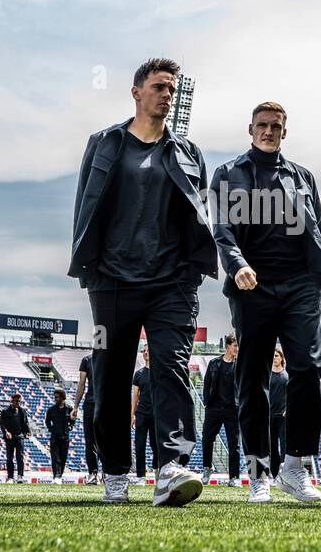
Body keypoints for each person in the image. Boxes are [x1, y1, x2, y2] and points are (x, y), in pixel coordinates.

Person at [68, 57, 214, 507]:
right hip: (111, 282)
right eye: (158, 86)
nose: (166, 94)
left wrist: (192, 273)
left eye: (171, 88)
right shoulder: (105, 143)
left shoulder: (188, 151)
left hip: (172, 283)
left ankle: (171, 467)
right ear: (136, 92)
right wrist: (89, 268)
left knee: (170, 370)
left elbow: (200, 212)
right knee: (110, 378)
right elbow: (86, 204)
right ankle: (114, 472)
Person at [210, 101, 321, 504]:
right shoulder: (228, 174)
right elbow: (221, 227)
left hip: (299, 286)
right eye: (262, 125)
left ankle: (295, 468)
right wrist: (237, 265)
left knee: (308, 369)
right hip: (251, 286)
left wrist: (315, 277)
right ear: (250, 129)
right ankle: (258, 472)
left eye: (275, 126)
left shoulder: (303, 177)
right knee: (253, 378)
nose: (268, 131)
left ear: (284, 131)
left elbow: (316, 231)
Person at [200, 334, 240, 485]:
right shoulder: (214, 363)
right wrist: (206, 403)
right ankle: (206, 468)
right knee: (207, 439)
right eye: (235, 345)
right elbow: (206, 384)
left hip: (232, 409)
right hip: (214, 408)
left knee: (234, 443)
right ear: (228, 346)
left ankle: (234, 477)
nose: (237, 348)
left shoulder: (240, 364)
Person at [132, 346, 157, 480]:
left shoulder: (158, 373)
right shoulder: (139, 374)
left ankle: (157, 471)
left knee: (155, 445)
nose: (146, 353)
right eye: (144, 351)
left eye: (148, 350)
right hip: (141, 413)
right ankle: (141, 476)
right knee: (139, 445)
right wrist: (132, 414)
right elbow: (135, 396)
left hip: (155, 414)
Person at [74, 351, 100, 483]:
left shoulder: (109, 357)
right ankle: (94, 473)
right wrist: (75, 406)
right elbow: (81, 383)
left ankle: (102, 473)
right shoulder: (86, 360)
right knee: (90, 441)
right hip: (91, 403)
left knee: (99, 441)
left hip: (103, 404)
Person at [0, 393, 30, 483]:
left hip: (20, 437)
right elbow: (2, 424)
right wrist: (6, 432)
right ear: (11, 401)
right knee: (9, 458)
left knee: (20, 456)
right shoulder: (5, 411)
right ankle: (10, 477)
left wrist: (27, 431)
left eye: (19, 401)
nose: (18, 403)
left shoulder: (22, 411)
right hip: (10, 438)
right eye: (16, 401)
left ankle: (20, 476)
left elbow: (25, 423)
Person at [45, 388, 74, 483]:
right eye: (55, 397)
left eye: (57, 397)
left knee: (63, 458)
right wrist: (51, 429)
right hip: (54, 437)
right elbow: (47, 421)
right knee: (55, 457)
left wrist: (70, 427)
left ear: (62, 397)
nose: (55, 399)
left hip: (65, 438)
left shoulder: (69, 409)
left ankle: (59, 476)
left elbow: (73, 420)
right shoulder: (51, 410)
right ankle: (56, 476)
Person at [269, 348, 289, 479]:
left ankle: (285, 472)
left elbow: (291, 395)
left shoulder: (287, 375)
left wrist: (288, 409)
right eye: (272, 356)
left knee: (284, 445)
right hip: (269, 416)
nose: (274, 358)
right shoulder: (267, 375)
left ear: (281, 358)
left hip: (283, 416)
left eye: (276, 356)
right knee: (272, 447)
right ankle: (274, 474)